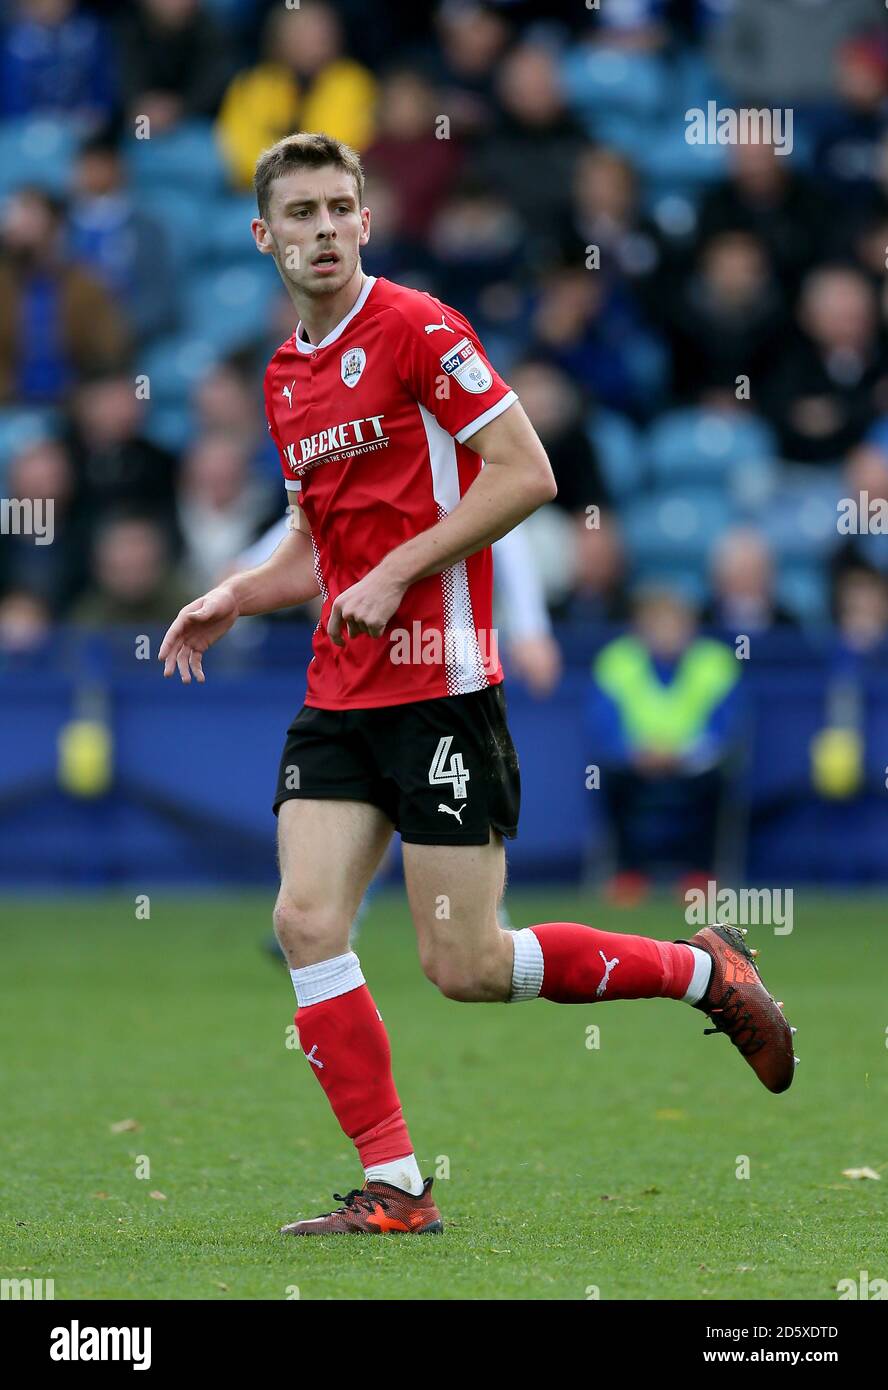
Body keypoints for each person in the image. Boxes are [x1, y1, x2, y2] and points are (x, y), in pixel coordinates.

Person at [159, 132, 796, 1238]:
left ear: (366, 220)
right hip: (339, 692)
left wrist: (401, 570)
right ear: (263, 238)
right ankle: (398, 1187)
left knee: (468, 964)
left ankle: (703, 973)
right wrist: (237, 593)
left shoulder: (419, 327)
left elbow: (529, 474)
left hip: (443, 689)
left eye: (339, 208)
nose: (321, 229)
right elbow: (318, 547)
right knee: (308, 921)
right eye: (299, 213)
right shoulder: (284, 379)